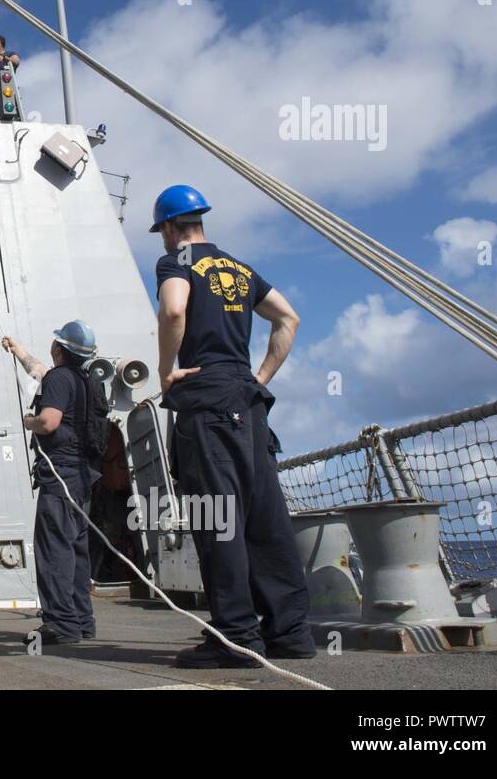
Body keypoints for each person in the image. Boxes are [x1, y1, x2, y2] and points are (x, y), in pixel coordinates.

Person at [151, 184, 315, 669]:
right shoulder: (240, 269)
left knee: (217, 518)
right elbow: (289, 318)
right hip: (248, 400)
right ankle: (290, 633)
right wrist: (258, 377)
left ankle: (235, 639)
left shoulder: (176, 261)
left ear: (170, 228)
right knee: (265, 519)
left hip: (205, 400)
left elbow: (174, 309)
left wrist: (166, 371)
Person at [3, 321, 102, 645]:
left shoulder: (60, 379)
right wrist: (17, 350)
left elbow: (49, 421)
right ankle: (82, 622)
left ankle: (60, 624)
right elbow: (40, 370)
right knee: (76, 549)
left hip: (60, 476)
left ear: (59, 347)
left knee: (53, 549)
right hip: (83, 477)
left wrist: (29, 422)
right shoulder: (85, 381)